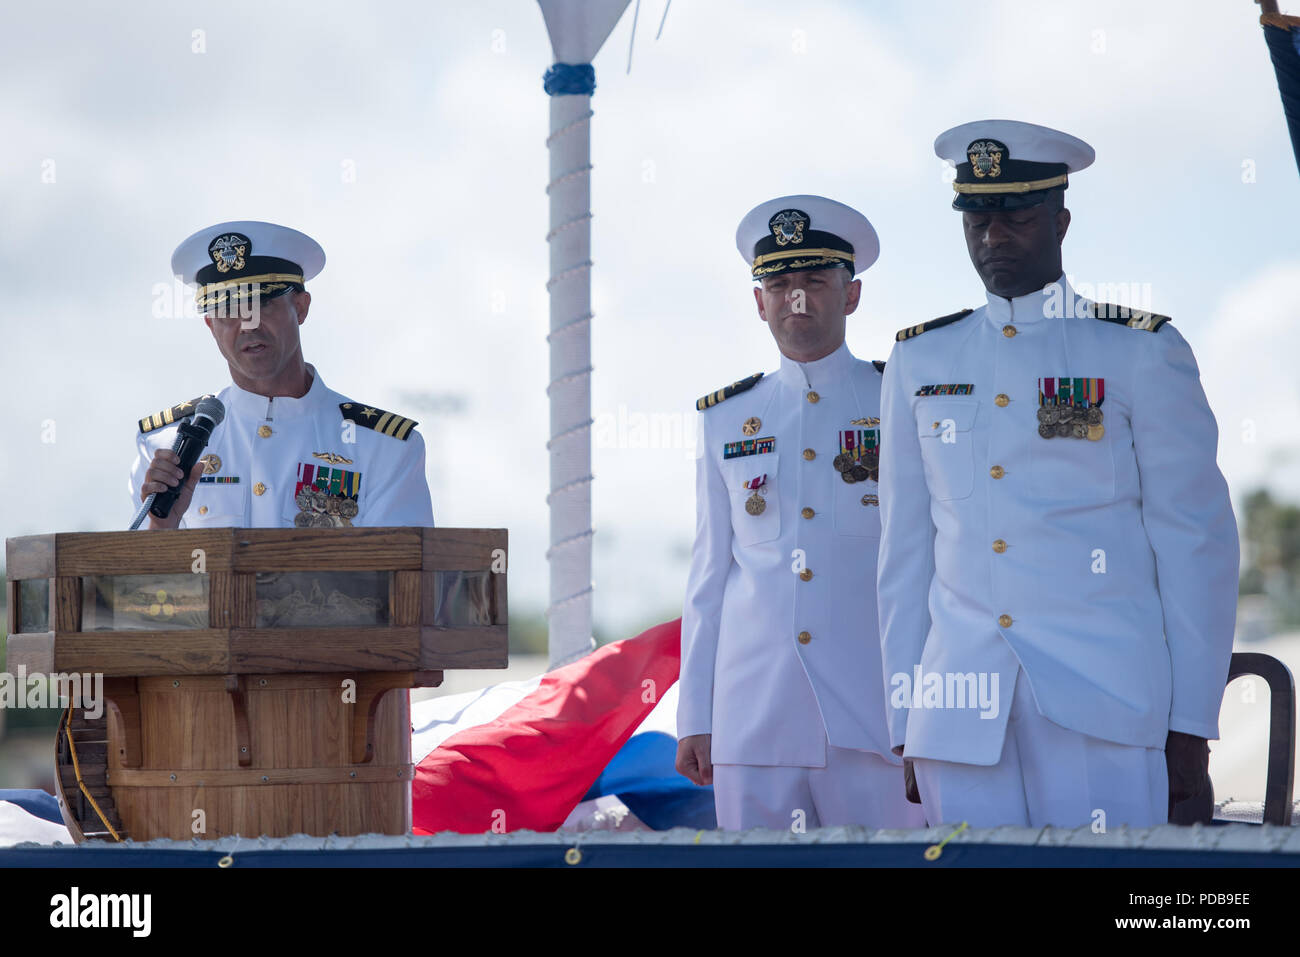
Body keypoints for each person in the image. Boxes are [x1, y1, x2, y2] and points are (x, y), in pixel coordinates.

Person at [877, 120, 1239, 828]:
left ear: (1060, 220)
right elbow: (904, 555)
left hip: (1104, 709)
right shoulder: (921, 361)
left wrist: (1190, 723)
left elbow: (1196, 546)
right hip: (958, 716)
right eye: (977, 217)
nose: (993, 236)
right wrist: (906, 716)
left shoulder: (1139, 351)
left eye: (1015, 215)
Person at [676, 195, 925, 830]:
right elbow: (709, 579)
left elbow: (928, 564)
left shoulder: (903, 400)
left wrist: (926, 711)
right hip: (754, 722)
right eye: (780, 283)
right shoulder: (724, 418)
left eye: (816, 280)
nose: (798, 299)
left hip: (878, 721)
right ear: (759, 302)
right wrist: (696, 718)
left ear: (852, 294)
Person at [130, 221, 434, 529]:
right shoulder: (167, 446)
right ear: (211, 325)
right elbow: (143, 576)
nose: (248, 324)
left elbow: (401, 572)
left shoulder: (384, 448)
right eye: (229, 309)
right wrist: (163, 525)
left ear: (300, 307)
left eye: (261, 303)